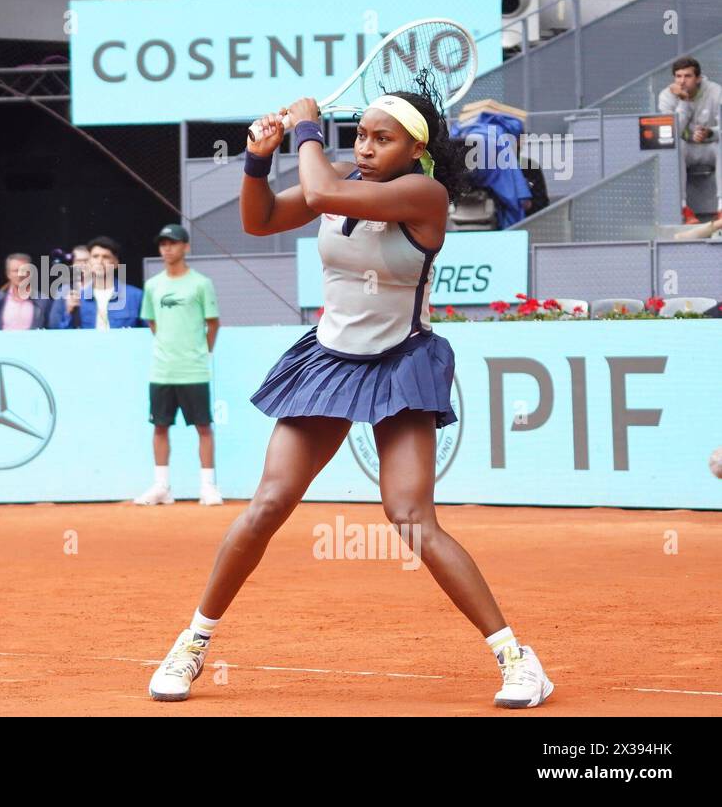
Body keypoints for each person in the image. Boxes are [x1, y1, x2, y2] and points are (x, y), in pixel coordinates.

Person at [145, 87, 555, 710]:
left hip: (401, 365)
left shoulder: (425, 194)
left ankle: (518, 661)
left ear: (416, 148)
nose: (364, 146)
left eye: (381, 138)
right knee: (269, 503)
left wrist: (306, 127)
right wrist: (258, 159)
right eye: (359, 133)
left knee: (410, 517)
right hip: (330, 362)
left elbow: (322, 195)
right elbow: (259, 221)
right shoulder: (338, 180)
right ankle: (193, 643)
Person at [134, 224, 222, 507]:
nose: (167, 249)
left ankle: (208, 487)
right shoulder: (152, 285)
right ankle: (161, 487)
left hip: (194, 369)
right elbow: (152, 322)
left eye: (173, 243)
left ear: (186, 247)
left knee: (203, 427)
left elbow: (212, 323)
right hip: (162, 370)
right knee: (159, 427)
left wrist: (201, 352)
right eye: (163, 244)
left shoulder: (201, 283)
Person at [657, 56, 722, 222]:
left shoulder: (716, 91)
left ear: (698, 78)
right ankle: (683, 209)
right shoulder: (666, 96)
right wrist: (683, 101)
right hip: (686, 148)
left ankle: (721, 209)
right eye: (678, 76)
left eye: (687, 76)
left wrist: (710, 133)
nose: (682, 81)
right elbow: (671, 131)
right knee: (671, 144)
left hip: (711, 146)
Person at [48, 236, 144, 329]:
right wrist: (69, 312)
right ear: (89, 262)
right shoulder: (78, 298)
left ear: (116, 263)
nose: (100, 261)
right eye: (95, 256)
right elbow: (65, 338)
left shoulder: (136, 296)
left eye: (106, 257)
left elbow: (149, 334)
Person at [0, 253, 54, 330]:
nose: (20, 274)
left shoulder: (43, 301)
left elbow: (51, 331)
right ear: (8, 274)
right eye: (16, 271)